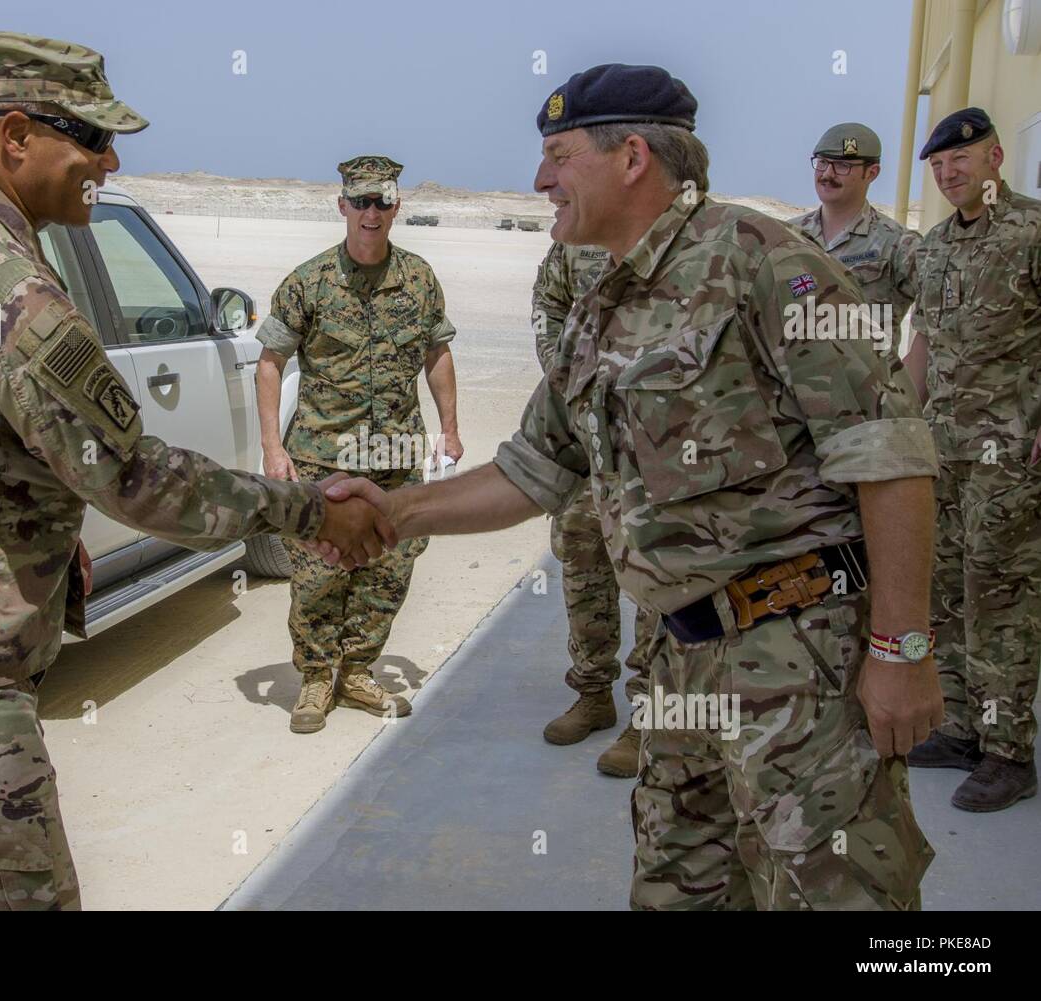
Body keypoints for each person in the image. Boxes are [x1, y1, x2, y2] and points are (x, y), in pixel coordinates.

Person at [320, 63, 942, 910]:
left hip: (800, 666)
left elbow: (891, 457)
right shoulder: (601, 308)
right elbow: (530, 469)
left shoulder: (769, 265)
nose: (540, 180)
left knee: (837, 897)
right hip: (677, 664)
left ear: (633, 156)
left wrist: (900, 651)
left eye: (558, 155)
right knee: (677, 890)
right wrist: (393, 510)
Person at [0, 29, 392, 910]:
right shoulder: (3, 285)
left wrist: (37, 530)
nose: (109, 159)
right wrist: (312, 511)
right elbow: (138, 478)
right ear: (14, 136)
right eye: (89, 136)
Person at [256, 155, 462, 733]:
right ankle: (318, 676)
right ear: (342, 205)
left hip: (396, 459)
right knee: (318, 572)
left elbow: (437, 355)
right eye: (361, 201)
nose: (371, 212)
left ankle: (358, 669)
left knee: (389, 566)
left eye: (383, 201)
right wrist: (274, 447)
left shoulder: (419, 279)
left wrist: (449, 427)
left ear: (397, 206)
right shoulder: (309, 281)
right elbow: (270, 363)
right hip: (324, 458)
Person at [903, 107, 1041, 811]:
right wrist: (899, 418)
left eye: (963, 158)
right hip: (943, 450)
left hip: (1009, 454)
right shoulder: (931, 248)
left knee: (999, 599)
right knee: (946, 594)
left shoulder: (1031, 231)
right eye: (938, 165)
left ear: (995, 159)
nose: (950, 172)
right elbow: (924, 342)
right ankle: (961, 726)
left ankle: (1010, 751)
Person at [531, 241, 656, 777]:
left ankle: (650, 714)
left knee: (657, 572)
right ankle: (592, 691)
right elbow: (547, 305)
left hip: (660, 438)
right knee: (582, 550)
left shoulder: (689, 241)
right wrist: (569, 371)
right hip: (589, 431)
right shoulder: (574, 245)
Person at [787, 123, 919, 335]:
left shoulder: (898, 244)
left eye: (842, 166)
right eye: (822, 163)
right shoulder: (787, 236)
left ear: (872, 172)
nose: (827, 174)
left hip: (868, 368)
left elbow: (938, 311)